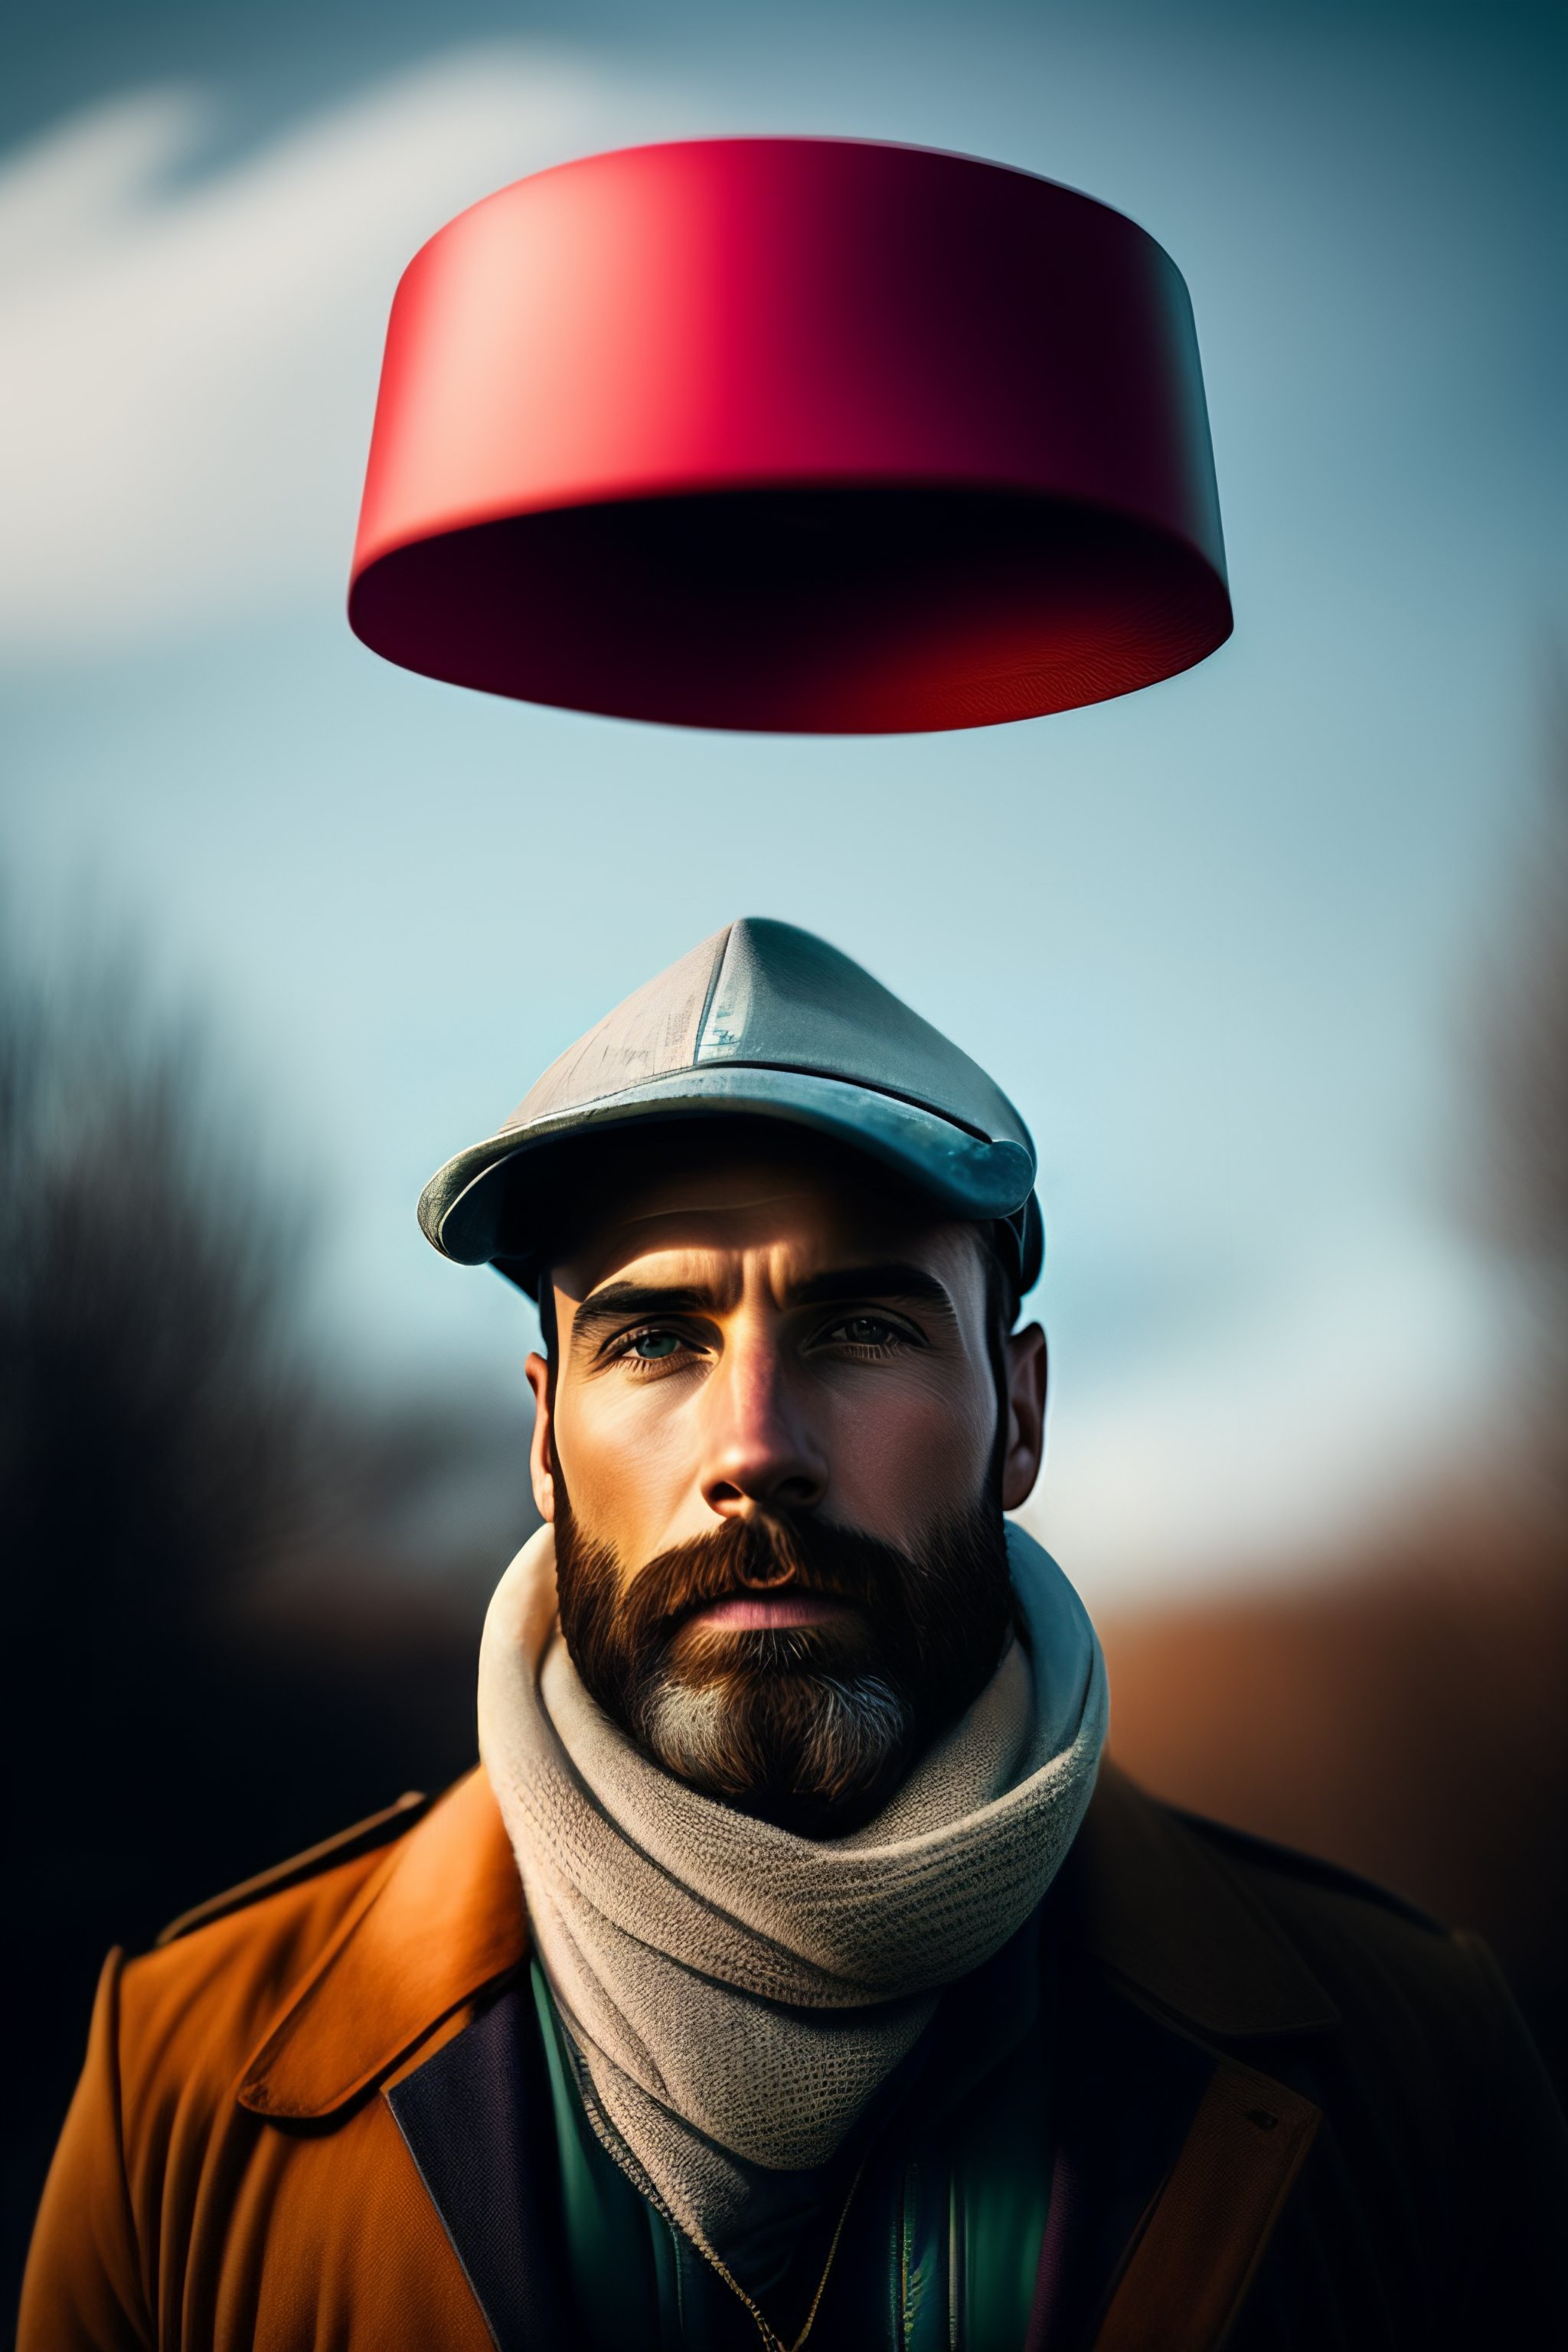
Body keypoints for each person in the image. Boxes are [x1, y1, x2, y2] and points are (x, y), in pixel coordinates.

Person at [20, 919, 1566, 2352]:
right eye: (654, 1339)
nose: (756, 1447)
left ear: (1019, 1416)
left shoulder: (1415, 2067)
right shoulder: (181, 2095)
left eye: (863, 1328)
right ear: (545, 1440)